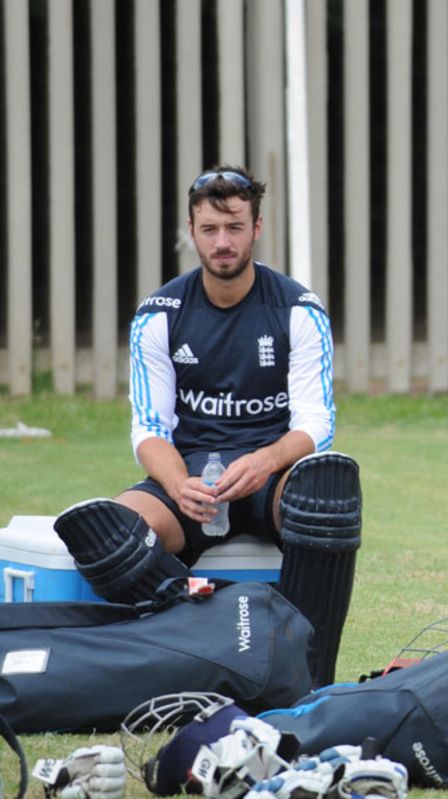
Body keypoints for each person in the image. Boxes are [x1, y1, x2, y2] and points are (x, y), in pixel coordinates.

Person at [54, 166, 360, 686]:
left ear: (257, 229)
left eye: (235, 227)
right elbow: (149, 428)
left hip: (273, 476)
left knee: (327, 492)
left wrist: (264, 461)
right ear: (191, 232)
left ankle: (309, 682)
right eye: (210, 229)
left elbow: (316, 423)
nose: (223, 242)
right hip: (190, 477)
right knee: (110, 538)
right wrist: (178, 485)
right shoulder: (160, 314)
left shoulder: (298, 309)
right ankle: (205, 652)